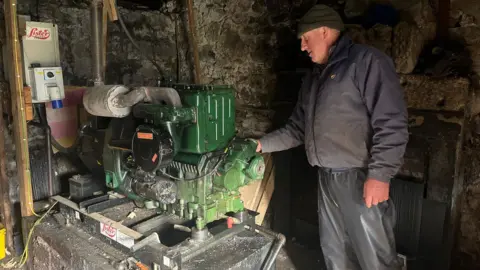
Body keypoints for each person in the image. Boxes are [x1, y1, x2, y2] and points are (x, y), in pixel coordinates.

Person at [256, 4, 408, 270]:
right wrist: (260, 144)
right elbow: (297, 129)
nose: (302, 46)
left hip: (359, 178)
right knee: (335, 254)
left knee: (375, 258)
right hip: (326, 177)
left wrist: (380, 175)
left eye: (306, 38)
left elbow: (391, 122)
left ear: (324, 32)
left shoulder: (367, 62)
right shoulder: (314, 78)